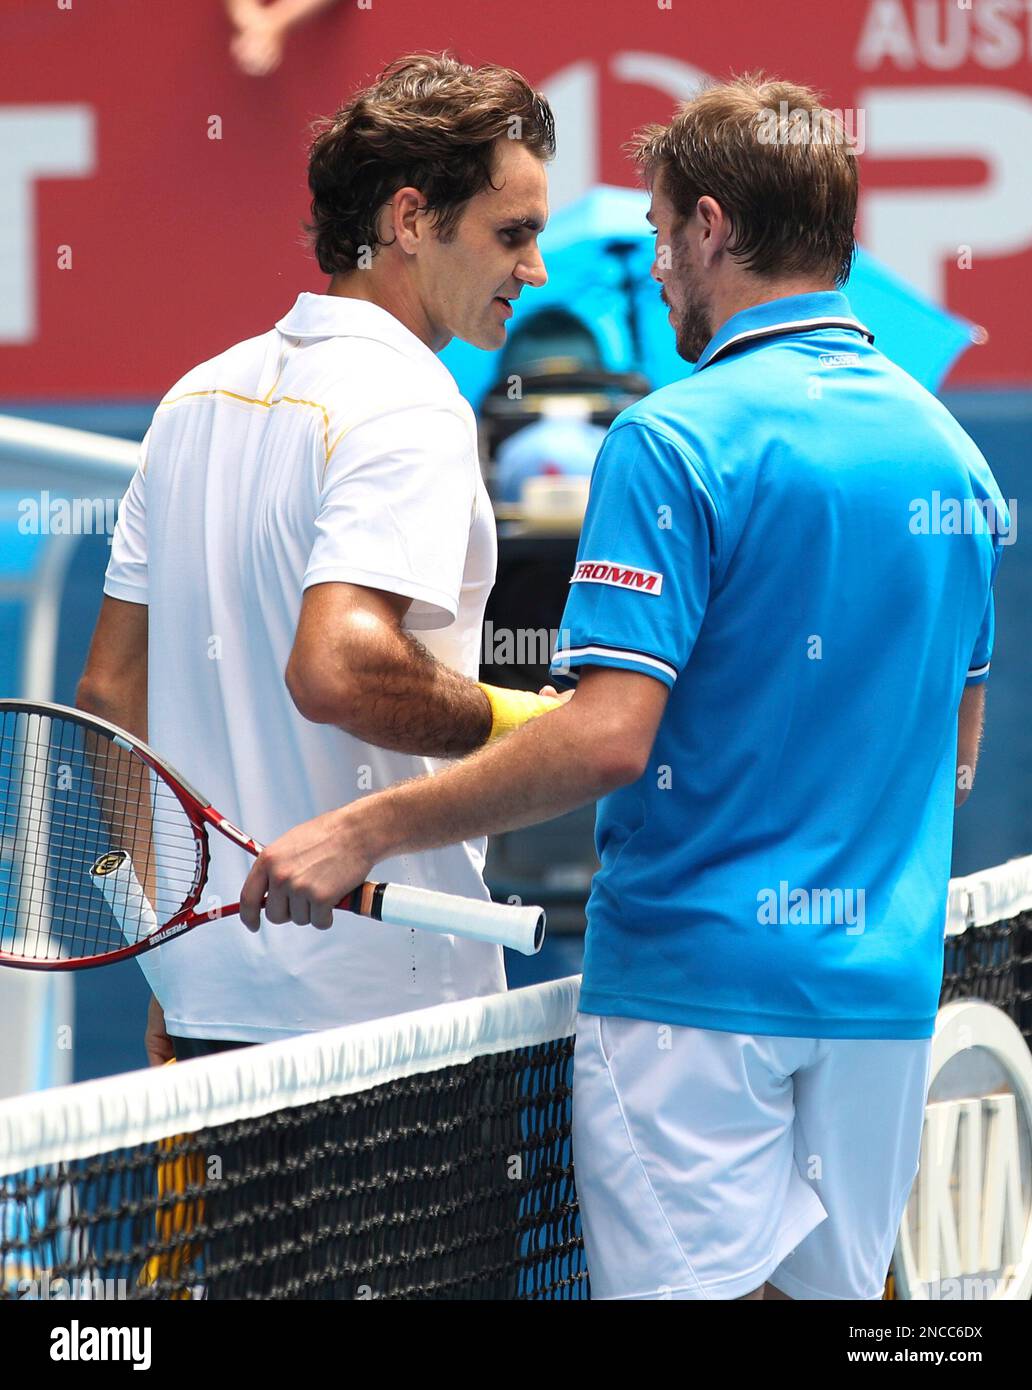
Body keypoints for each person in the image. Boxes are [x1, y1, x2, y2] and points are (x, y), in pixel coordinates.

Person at [241, 74, 1007, 1301]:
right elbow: (953, 740)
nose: (653, 268)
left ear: (711, 226)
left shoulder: (672, 441)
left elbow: (606, 738)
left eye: (658, 235)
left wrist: (361, 830)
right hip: (880, 1004)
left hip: (693, 1001)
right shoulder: (957, 461)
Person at [76, 53, 556, 1063]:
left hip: (214, 1004)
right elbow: (335, 666)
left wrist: (172, 953)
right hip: (390, 1019)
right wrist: (528, 722)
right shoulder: (414, 403)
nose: (535, 269)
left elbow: (110, 693)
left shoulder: (193, 397)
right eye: (511, 235)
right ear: (412, 220)